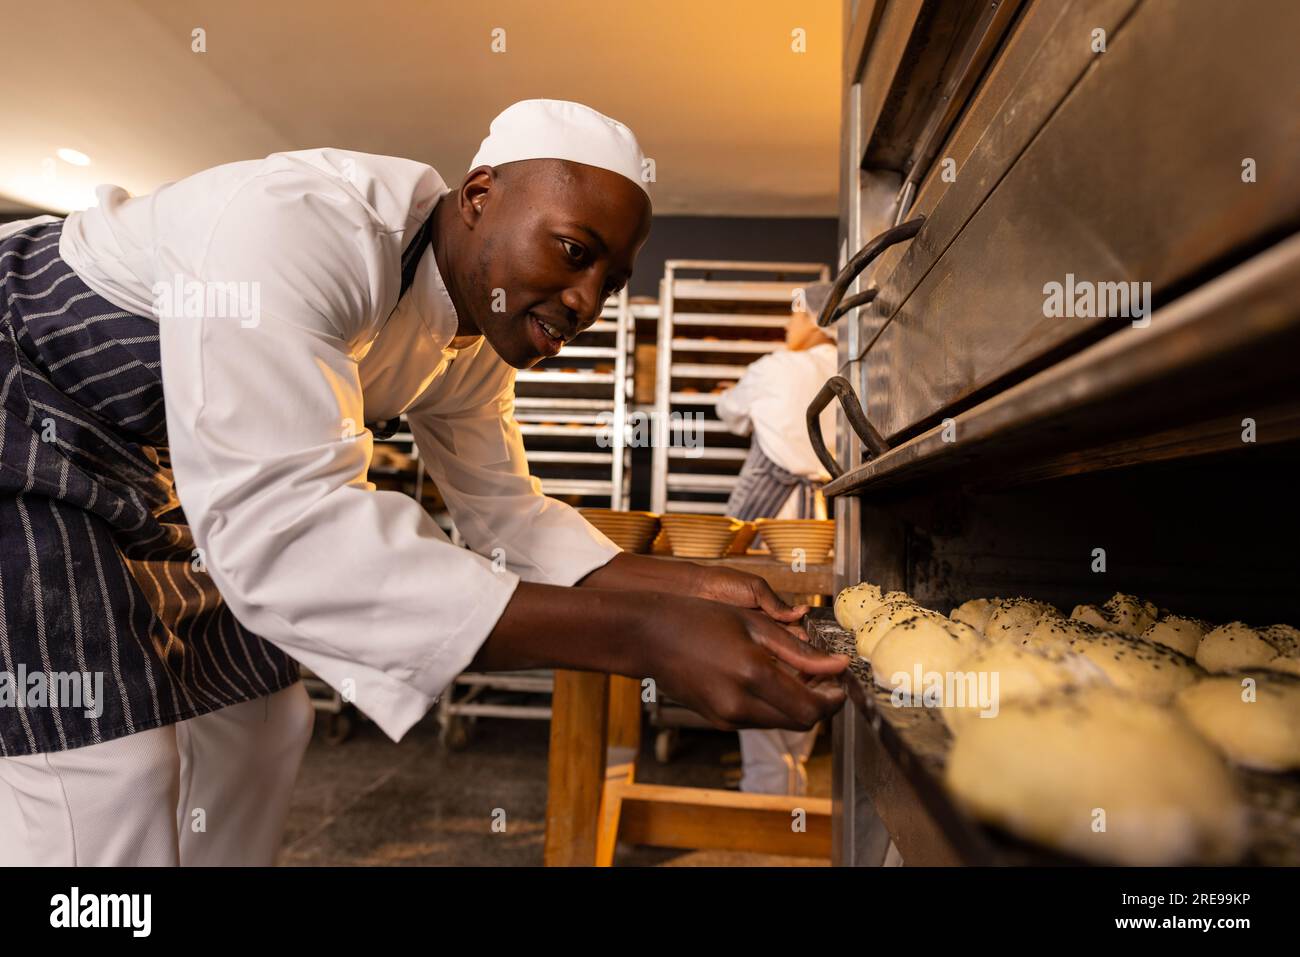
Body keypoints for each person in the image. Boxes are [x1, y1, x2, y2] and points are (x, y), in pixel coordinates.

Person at [0, 100, 848, 865]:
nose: (588, 300)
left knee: (263, 720)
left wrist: (702, 588)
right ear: (480, 196)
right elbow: (293, 540)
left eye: (610, 280)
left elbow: (507, 514)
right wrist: (648, 638)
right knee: (103, 762)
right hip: (28, 406)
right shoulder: (300, 227)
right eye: (574, 251)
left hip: (156, 473)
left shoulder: (472, 339)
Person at [716, 282, 838, 795]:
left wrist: (731, 392)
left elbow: (730, 413)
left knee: (761, 638)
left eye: (792, 315)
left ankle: (768, 785)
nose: (787, 326)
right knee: (809, 636)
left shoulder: (774, 366)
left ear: (811, 319)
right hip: (822, 525)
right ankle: (795, 773)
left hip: (769, 525)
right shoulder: (855, 367)